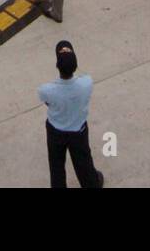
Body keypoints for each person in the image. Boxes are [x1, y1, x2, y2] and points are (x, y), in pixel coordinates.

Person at [38, 40, 105, 188]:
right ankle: (91, 183)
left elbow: (47, 102)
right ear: (75, 65)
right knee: (83, 162)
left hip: (55, 131)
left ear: (57, 66)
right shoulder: (87, 83)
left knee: (56, 166)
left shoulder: (46, 90)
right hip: (78, 131)